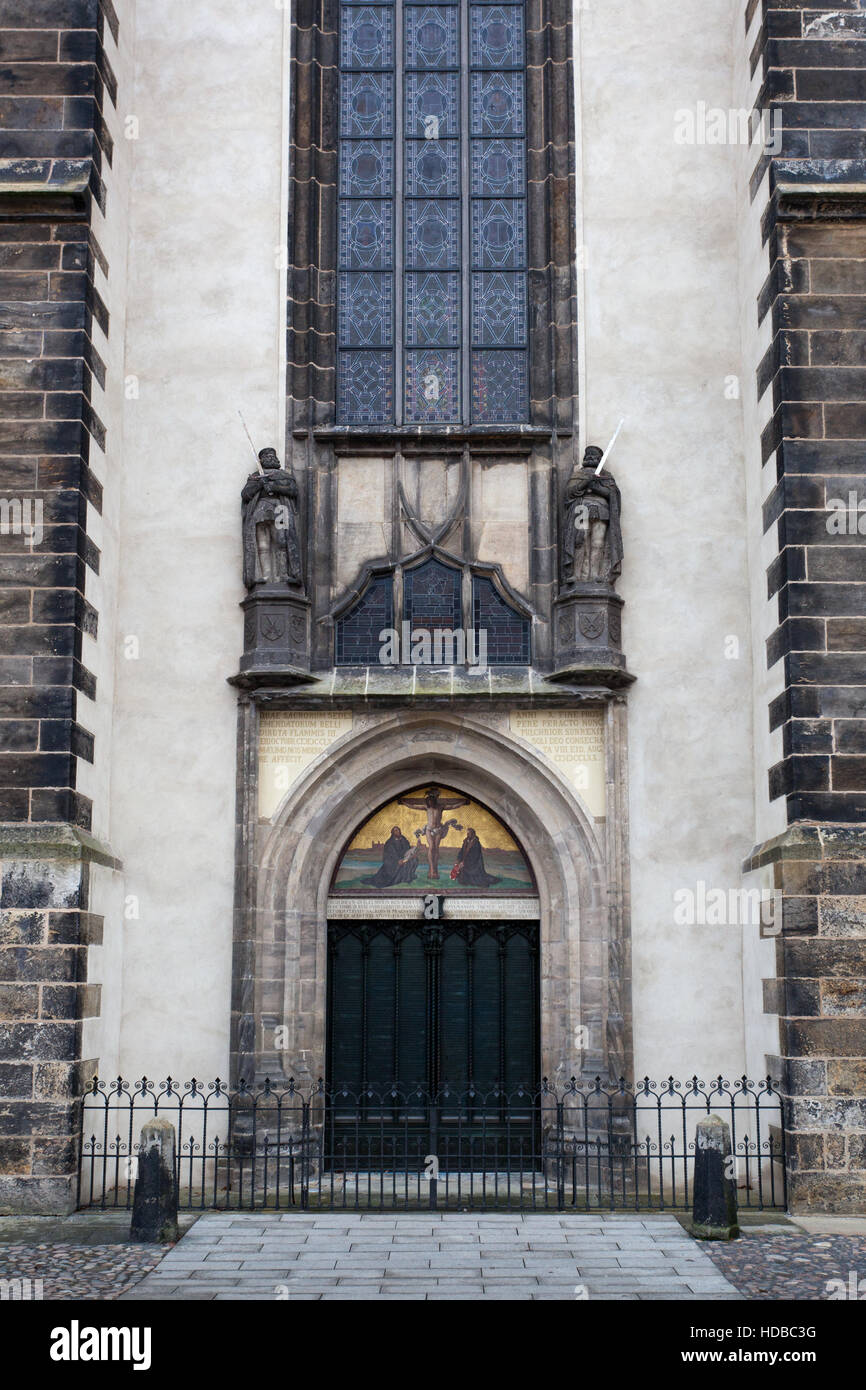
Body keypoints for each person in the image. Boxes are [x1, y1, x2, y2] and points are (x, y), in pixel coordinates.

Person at [396, 786, 469, 880]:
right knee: (431, 847)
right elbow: (414, 806)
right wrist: (404, 802)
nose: (430, 802)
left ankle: (435, 869)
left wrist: (463, 802)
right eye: (429, 801)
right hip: (429, 829)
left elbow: (452, 806)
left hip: (438, 829)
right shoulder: (427, 807)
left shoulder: (440, 807)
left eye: (432, 800)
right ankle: (431, 869)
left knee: (436, 848)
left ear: (434, 800)